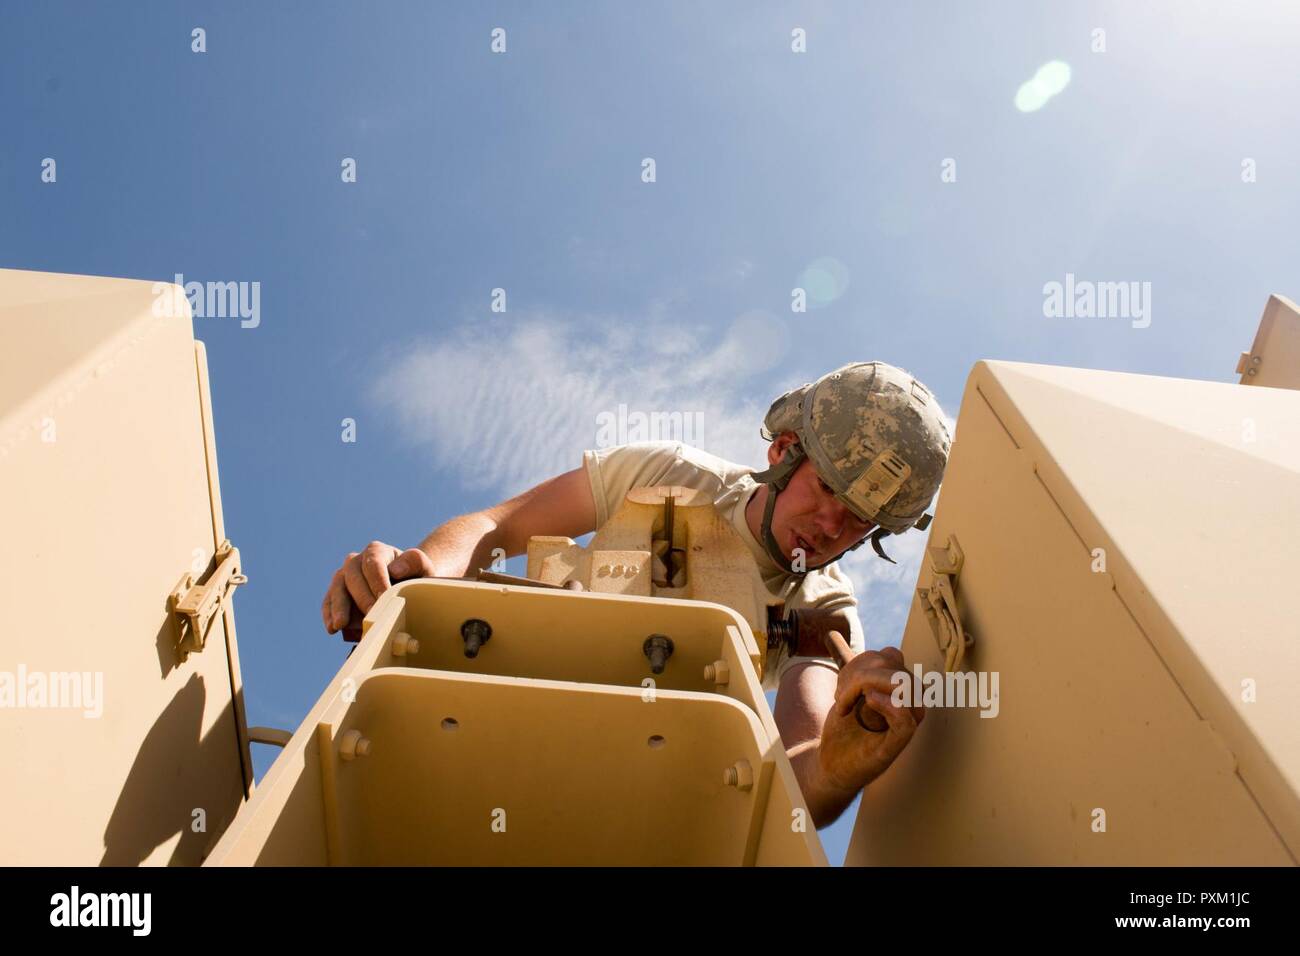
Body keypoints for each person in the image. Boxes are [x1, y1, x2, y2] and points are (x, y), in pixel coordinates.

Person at [321, 361, 951, 828]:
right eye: (827, 490)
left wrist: (837, 768)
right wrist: (421, 575)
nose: (833, 528)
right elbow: (497, 527)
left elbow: (797, 776)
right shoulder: (669, 474)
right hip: (487, 748)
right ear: (784, 452)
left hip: (639, 811)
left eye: (862, 519)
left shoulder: (825, 612)